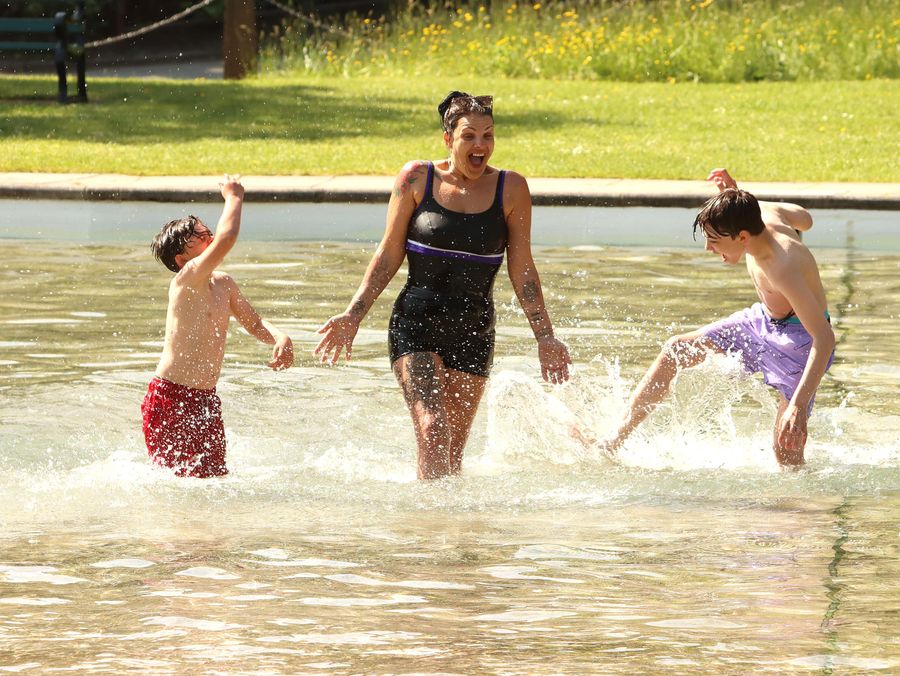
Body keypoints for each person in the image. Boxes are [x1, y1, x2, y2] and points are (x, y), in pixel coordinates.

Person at [315, 91, 572, 479]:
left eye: (488, 135)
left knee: (452, 455)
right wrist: (353, 315)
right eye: (469, 136)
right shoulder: (416, 178)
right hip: (416, 324)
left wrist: (545, 337)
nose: (480, 144)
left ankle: (445, 519)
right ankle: (427, 519)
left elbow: (523, 270)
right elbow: (388, 253)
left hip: (474, 330)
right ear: (448, 138)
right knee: (433, 429)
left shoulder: (512, 188)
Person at [584, 168, 835, 467]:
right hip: (762, 321)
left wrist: (798, 406)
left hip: (800, 342)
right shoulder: (762, 216)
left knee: (785, 450)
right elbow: (805, 219)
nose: (709, 248)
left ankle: (801, 495)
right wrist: (738, 200)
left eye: (714, 240)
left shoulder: (783, 266)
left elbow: (824, 338)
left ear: (743, 236)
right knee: (676, 350)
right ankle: (612, 442)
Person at [142, 176, 294, 478]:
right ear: (182, 258)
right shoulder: (186, 280)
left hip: (206, 400)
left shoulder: (223, 283)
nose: (207, 234)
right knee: (176, 484)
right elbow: (227, 238)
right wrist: (234, 196)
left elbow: (254, 322)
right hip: (171, 398)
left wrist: (280, 337)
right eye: (197, 235)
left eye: (205, 229)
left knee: (214, 479)